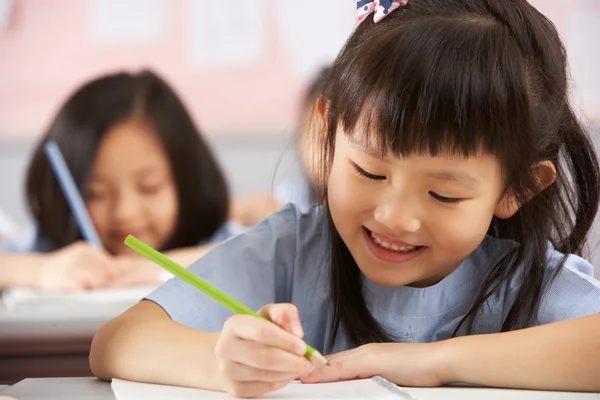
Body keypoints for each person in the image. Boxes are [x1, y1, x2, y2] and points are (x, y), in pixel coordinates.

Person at [90, 1, 600, 397]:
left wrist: (431, 361)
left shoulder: (530, 283)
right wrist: (223, 362)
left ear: (518, 189)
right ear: (329, 127)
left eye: (443, 194)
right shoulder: (291, 251)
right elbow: (116, 343)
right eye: (368, 171)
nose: (394, 216)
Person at [0, 70, 242, 292]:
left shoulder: (218, 239)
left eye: (149, 188)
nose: (125, 212)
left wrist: (159, 268)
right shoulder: (49, 251)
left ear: (188, 182)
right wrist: (39, 270)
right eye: (95, 193)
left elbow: (258, 258)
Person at [231, 67, 329, 226]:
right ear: (299, 136)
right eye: (320, 139)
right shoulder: (288, 198)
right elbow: (238, 209)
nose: (328, 153)